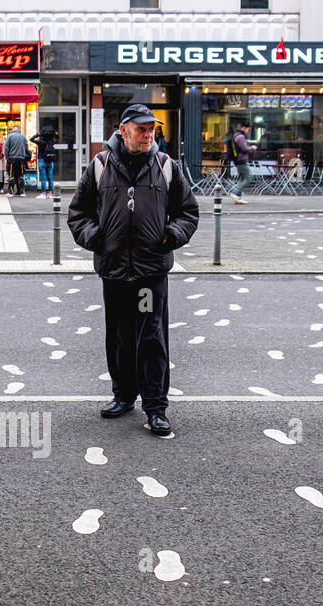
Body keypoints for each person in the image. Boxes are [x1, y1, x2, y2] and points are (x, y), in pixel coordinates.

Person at [67, 103, 200, 439]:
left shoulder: (165, 166)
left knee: (151, 336)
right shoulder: (100, 166)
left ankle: (155, 407)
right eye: (141, 128)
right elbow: (78, 213)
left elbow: (188, 212)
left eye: (151, 128)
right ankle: (124, 395)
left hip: (148, 274)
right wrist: (96, 238)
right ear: (123, 130)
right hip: (114, 271)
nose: (148, 134)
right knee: (120, 337)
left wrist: (171, 235)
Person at [228, 122, 255, 204]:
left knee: (241, 178)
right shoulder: (241, 137)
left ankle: (238, 198)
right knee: (249, 177)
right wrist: (252, 147)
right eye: (248, 130)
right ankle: (234, 193)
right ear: (243, 128)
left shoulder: (236, 135)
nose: (248, 131)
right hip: (242, 160)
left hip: (237, 160)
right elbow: (244, 148)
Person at [32, 124, 59, 197]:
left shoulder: (40, 142)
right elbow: (57, 139)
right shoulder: (52, 142)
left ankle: (43, 194)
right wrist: (56, 134)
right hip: (50, 161)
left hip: (42, 160)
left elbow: (31, 139)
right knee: (50, 178)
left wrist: (37, 135)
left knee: (43, 178)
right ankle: (50, 193)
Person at [4, 125, 29, 196]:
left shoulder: (9, 136)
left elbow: (6, 147)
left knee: (11, 175)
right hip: (21, 159)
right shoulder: (23, 137)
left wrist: (7, 155)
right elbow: (27, 147)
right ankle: (22, 192)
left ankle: (11, 192)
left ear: (12, 130)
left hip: (12, 159)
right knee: (20, 175)